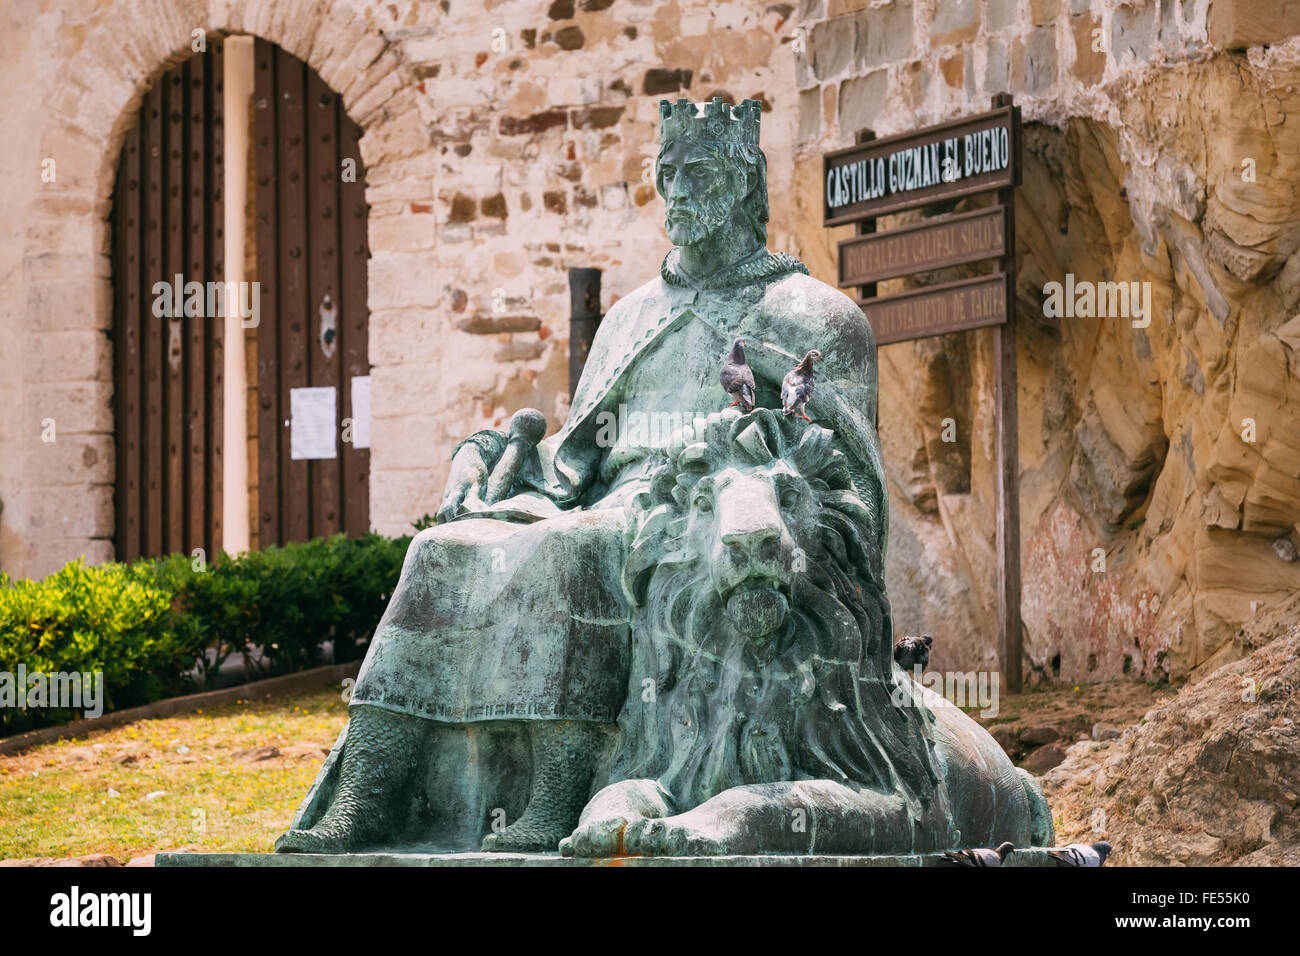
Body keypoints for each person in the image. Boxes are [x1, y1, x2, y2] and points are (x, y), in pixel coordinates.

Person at [275, 98, 887, 854]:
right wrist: (493, 453)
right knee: (441, 552)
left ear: (746, 180)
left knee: (580, 544)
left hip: (704, 517)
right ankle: (370, 792)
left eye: (698, 172)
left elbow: (849, 481)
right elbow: (577, 451)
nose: (678, 194)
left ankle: (557, 798)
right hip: (610, 499)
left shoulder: (813, 315)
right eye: (667, 175)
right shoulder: (630, 316)